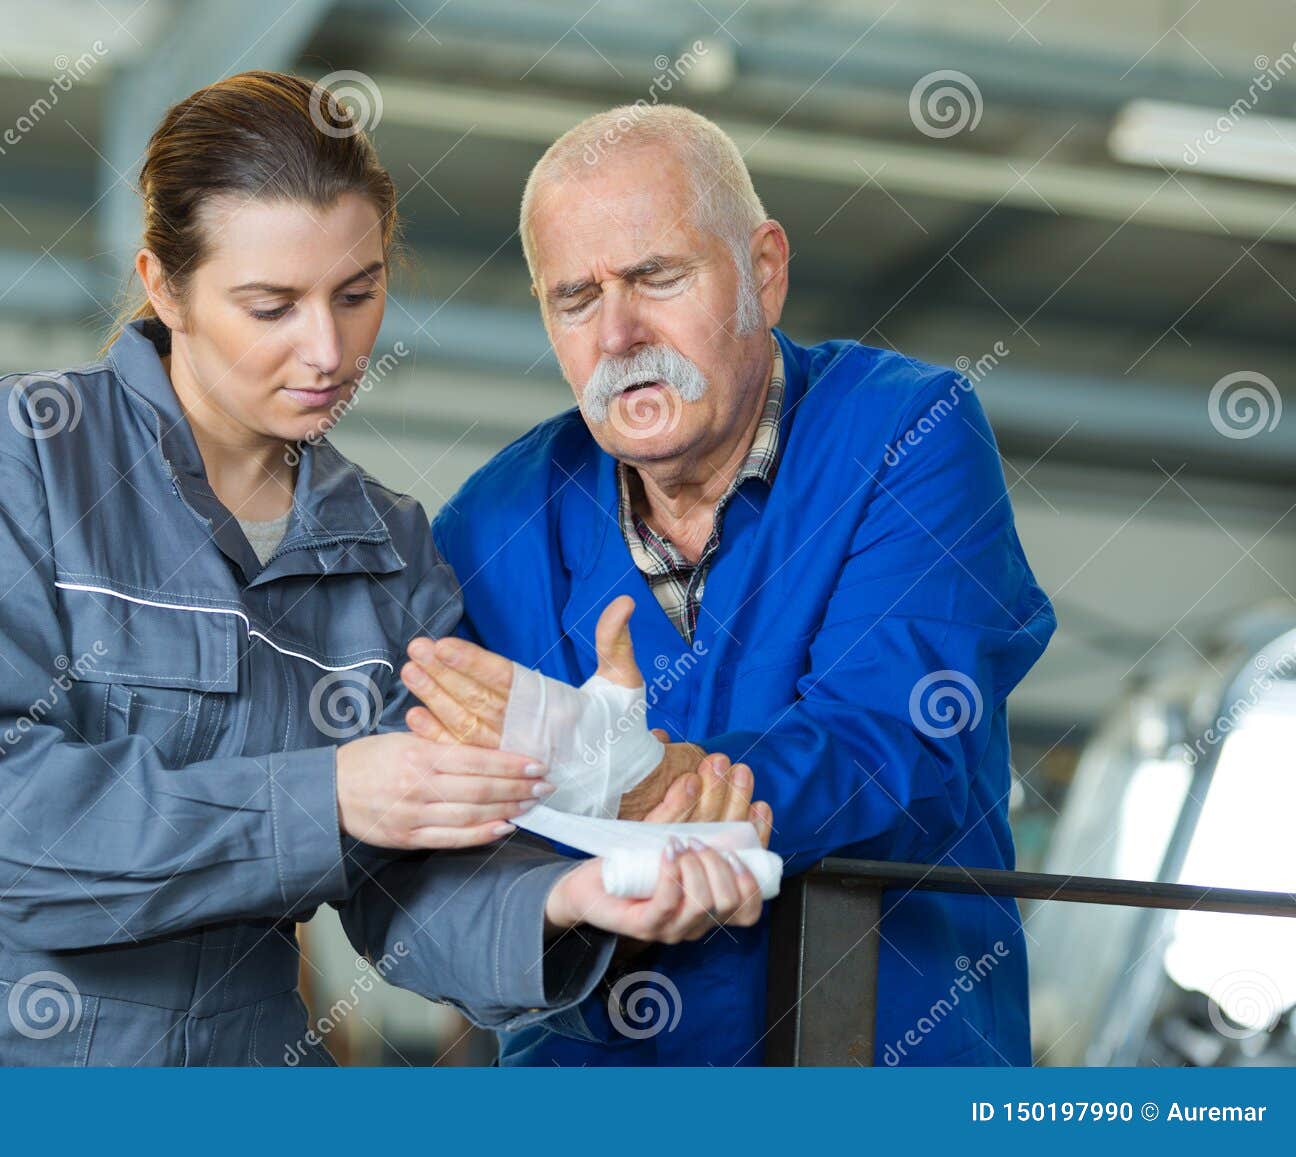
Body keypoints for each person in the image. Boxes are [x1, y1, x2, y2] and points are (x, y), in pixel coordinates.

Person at [0, 74, 766, 1068]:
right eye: (271, 305)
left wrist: (564, 897)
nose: (327, 350)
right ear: (164, 285)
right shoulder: (25, 459)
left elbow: (407, 879)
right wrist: (323, 796)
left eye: (357, 294)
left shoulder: (389, 550)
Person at [402, 104, 1057, 1066]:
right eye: (575, 298)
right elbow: (444, 875)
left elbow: (896, 734)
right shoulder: (491, 526)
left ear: (764, 269)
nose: (618, 333)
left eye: (656, 277)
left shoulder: (906, 434)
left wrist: (639, 781)